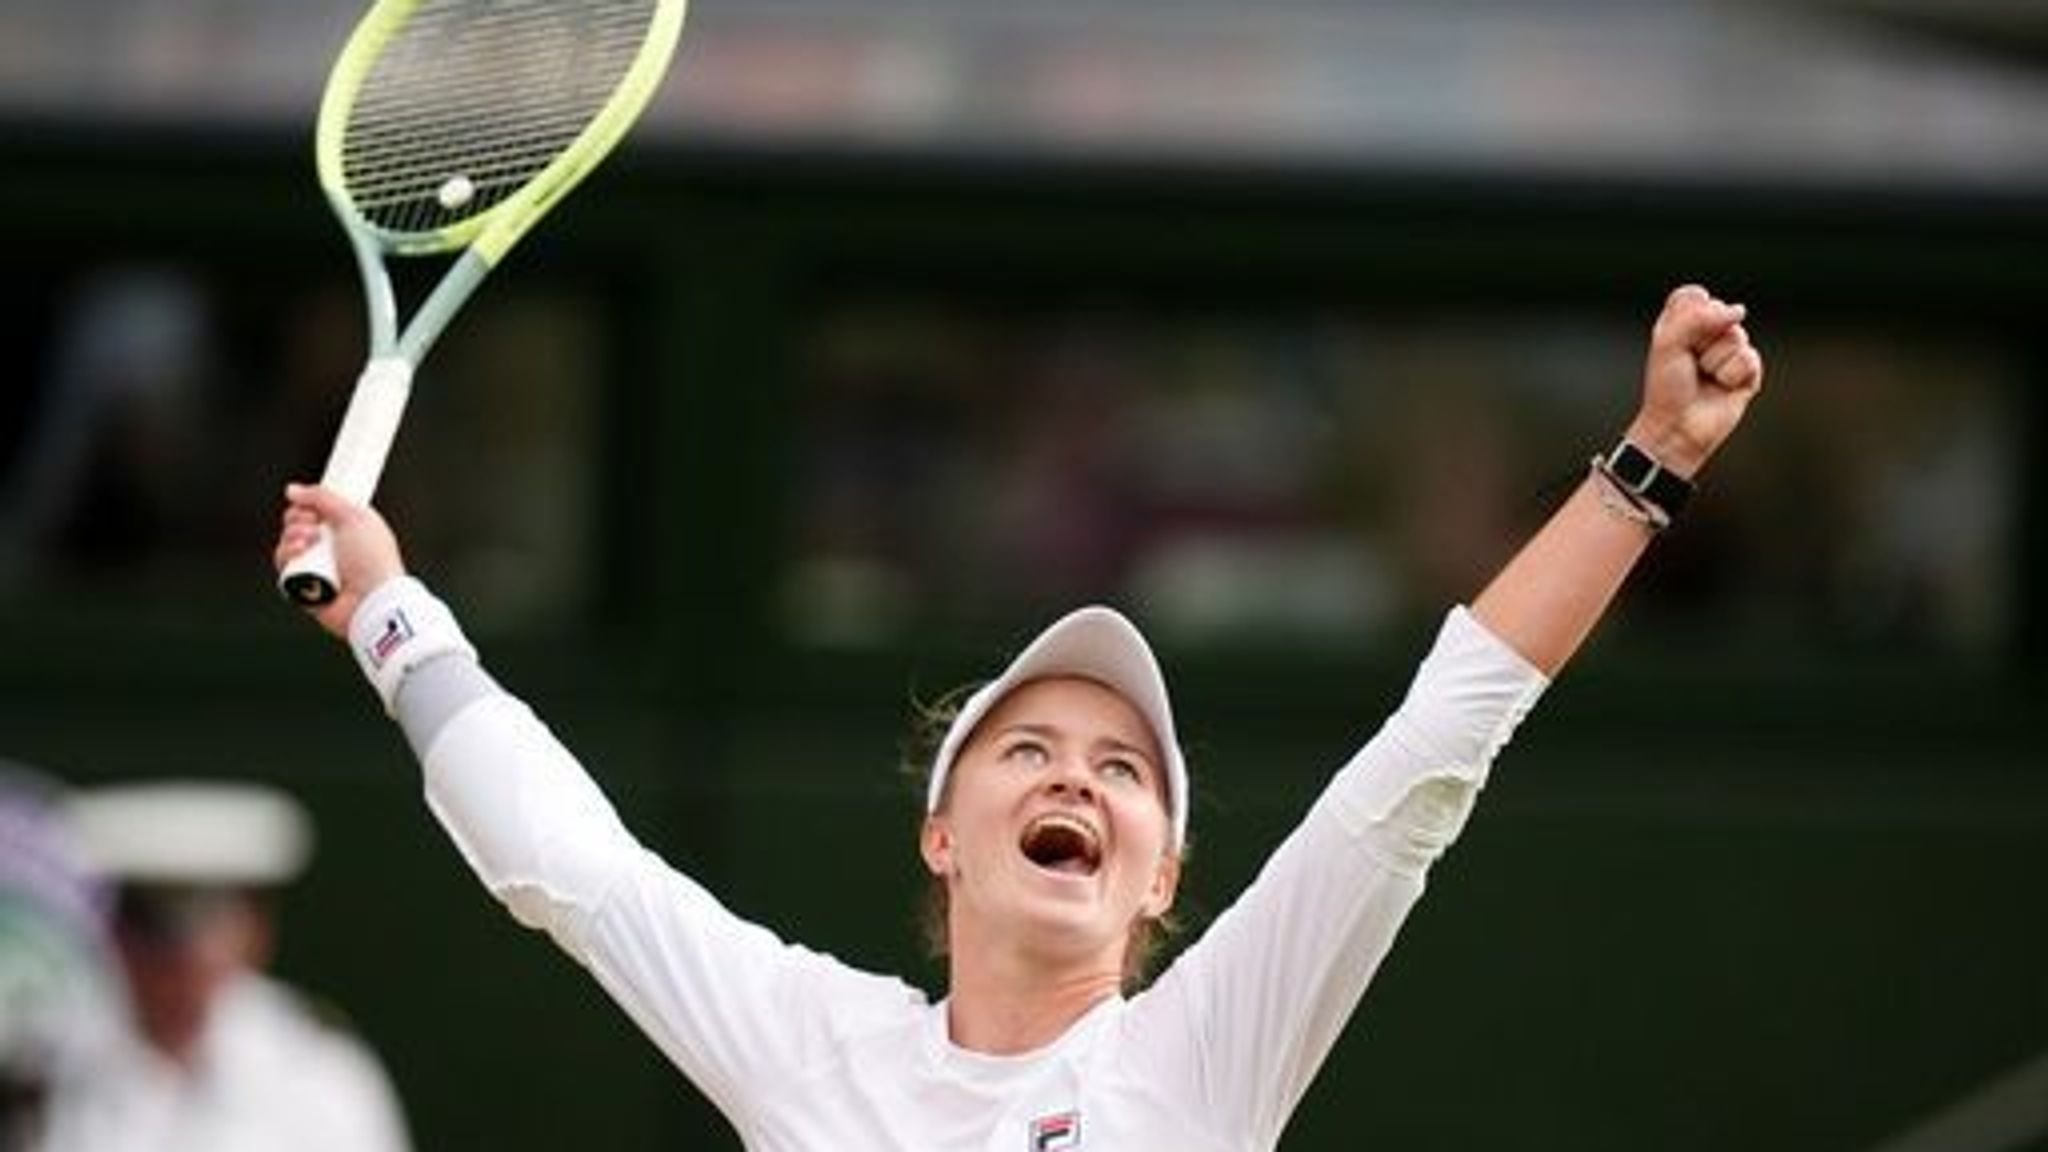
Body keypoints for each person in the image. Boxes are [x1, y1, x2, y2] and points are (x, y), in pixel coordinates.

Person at [273, 284, 1764, 1149]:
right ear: (943, 835)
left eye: (1126, 769)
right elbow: (571, 872)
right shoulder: (816, 1052)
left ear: (1161, 877)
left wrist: (1649, 461)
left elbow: (1431, 754)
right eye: (1032, 751)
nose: (1081, 780)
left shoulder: (1197, 1060)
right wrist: (395, 617)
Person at [52, 781, 414, 1152]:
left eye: (201, 924)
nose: (173, 963)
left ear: (255, 929)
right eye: (144, 925)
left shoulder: (321, 1073)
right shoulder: (39, 1060)